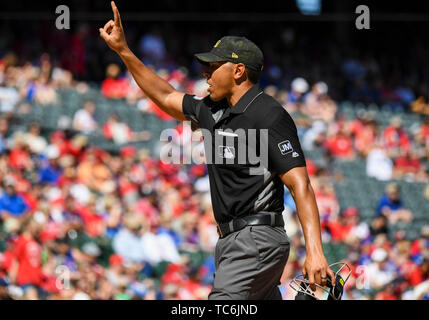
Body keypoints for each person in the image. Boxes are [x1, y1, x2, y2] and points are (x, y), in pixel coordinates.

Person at [99, 1, 335, 300]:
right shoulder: (211, 110)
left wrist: (315, 252)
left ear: (238, 71)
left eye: (213, 67)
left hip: (257, 238)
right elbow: (166, 95)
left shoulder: (269, 115)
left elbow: (300, 184)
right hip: (231, 242)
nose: (206, 75)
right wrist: (124, 51)